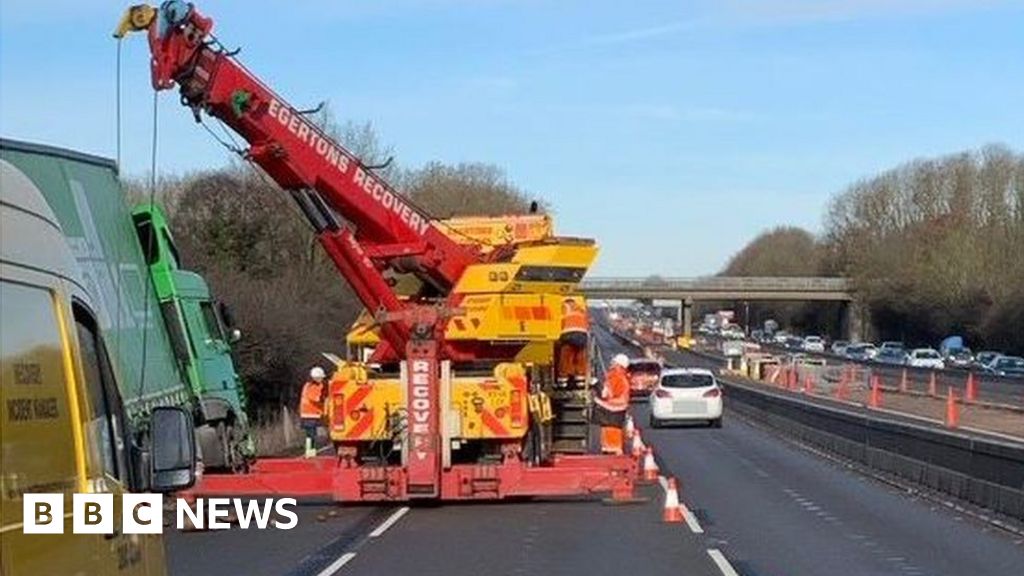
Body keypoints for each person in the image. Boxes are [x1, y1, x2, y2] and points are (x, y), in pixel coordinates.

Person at [595, 353, 630, 454]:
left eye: (614, 362)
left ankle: (612, 451)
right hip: (614, 411)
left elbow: (607, 395)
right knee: (611, 433)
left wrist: (597, 389)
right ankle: (612, 449)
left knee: (612, 434)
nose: (612, 363)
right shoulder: (618, 377)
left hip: (613, 411)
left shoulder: (617, 377)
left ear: (619, 365)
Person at [300, 366, 327, 458]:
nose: (322, 379)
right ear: (315, 377)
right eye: (321, 378)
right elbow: (316, 399)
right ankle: (309, 452)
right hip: (310, 414)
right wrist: (325, 398)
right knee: (311, 434)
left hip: (309, 414)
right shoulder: (312, 386)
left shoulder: (308, 385)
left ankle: (311, 451)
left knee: (311, 434)